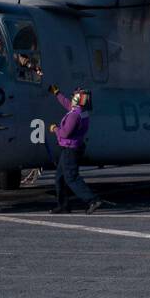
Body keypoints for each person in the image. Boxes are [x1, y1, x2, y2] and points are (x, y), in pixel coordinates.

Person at [47, 85, 101, 214]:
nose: (72, 98)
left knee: (71, 177)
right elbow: (67, 104)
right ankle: (63, 205)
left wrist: (54, 129)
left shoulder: (74, 116)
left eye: (74, 96)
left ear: (77, 98)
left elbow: (65, 133)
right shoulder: (82, 112)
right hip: (74, 147)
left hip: (69, 149)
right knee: (59, 177)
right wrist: (57, 93)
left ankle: (92, 200)